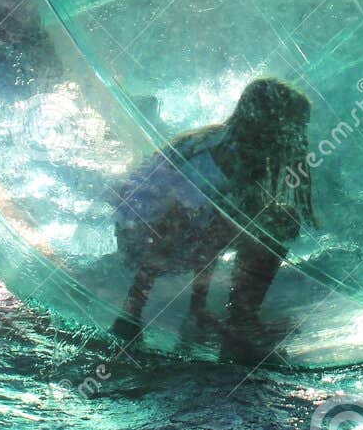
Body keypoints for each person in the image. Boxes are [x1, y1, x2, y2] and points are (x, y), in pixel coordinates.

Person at [110, 78, 315, 361]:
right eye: (294, 126)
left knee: (274, 219)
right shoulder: (214, 154)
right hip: (142, 237)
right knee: (243, 220)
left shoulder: (244, 151)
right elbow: (172, 225)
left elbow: (216, 227)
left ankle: (239, 316)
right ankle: (230, 320)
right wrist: (132, 313)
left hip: (170, 235)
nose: (298, 137)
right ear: (270, 123)